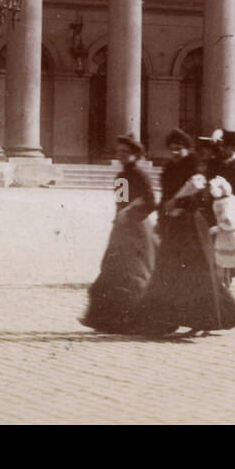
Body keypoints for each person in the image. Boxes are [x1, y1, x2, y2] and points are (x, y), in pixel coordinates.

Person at [134, 131, 235, 335]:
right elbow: (165, 195)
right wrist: (163, 216)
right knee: (167, 270)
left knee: (197, 273)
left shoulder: (194, 165)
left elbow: (199, 191)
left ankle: (203, 320)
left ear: (187, 148)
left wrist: (179, 203)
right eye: (173, 148)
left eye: (180, 148)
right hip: (172, 225)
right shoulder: (169, 167)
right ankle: (162, 320)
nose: (176, 152)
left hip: (191, 225)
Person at [81, 135, 157, 333]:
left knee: (135, 271)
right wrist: (120, 217)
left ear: (135, 155)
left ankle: (138, 319)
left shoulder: (140, 175)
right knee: (114, 269)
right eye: (119, 152)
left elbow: (150, 201)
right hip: (122, 228)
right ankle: (109, 318)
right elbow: (120, 203)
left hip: (138, 229)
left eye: (125, 153)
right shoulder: (121, 177)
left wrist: (130, 212)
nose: (121, 156)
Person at [205, 129, 235, 242]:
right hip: (219, 215)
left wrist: (229, 212)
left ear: (233, 148)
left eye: (225, 146)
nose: (221, 149)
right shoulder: (220, 164)